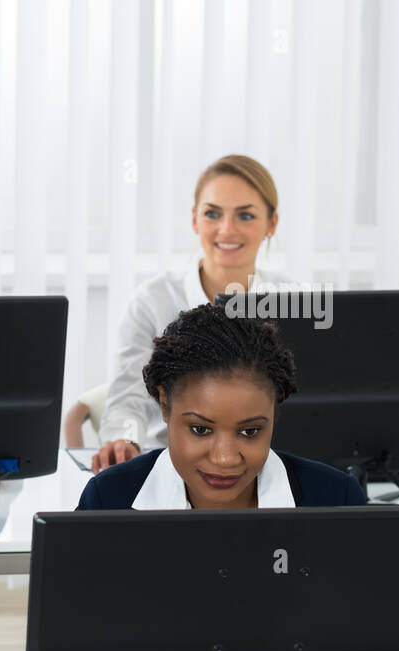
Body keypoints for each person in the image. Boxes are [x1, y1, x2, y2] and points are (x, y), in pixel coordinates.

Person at [93, 155, 289, 474]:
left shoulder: (294, 302)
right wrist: (123, 439)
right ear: (195, 220)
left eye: (245, 215)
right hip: (173, 474)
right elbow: (128, 398)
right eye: (213, 214)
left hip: (271, 472)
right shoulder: (152, 301)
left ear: (271, 224)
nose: (227, 229)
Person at [78, 302, 366, 510]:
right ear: (165, 405)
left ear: (274, 415)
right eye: (201, 429)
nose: (225, 459)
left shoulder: (335, 498)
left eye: (250, 431)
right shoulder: (110, 499)